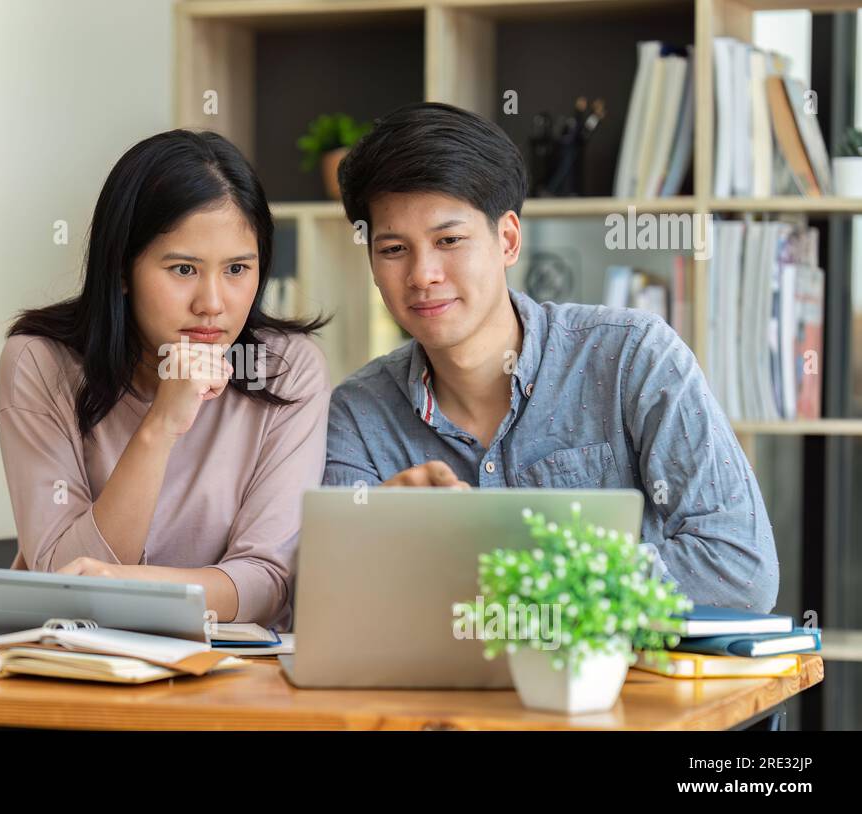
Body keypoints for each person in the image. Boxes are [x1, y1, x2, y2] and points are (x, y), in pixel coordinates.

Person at [323, 101, 778, 613]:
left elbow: (740, 570)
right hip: (440, 691)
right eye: (393, 250)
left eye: (449, 240)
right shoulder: (358, 414)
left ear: (508, 240)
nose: (423, 274)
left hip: (623, 687)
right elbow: (328, 606)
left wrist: (512, 564)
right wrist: (370, 543)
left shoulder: (633, 357)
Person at [0, 129, 329, 630]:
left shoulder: (287, 370)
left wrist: (128, 587)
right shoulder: (40, 363)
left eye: (238, 268)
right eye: (183, 269)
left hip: (232, 678)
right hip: (78, 673)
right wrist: (161, 425)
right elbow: (63, 582)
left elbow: (266, 583)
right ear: (123, 270)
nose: (212, 304)